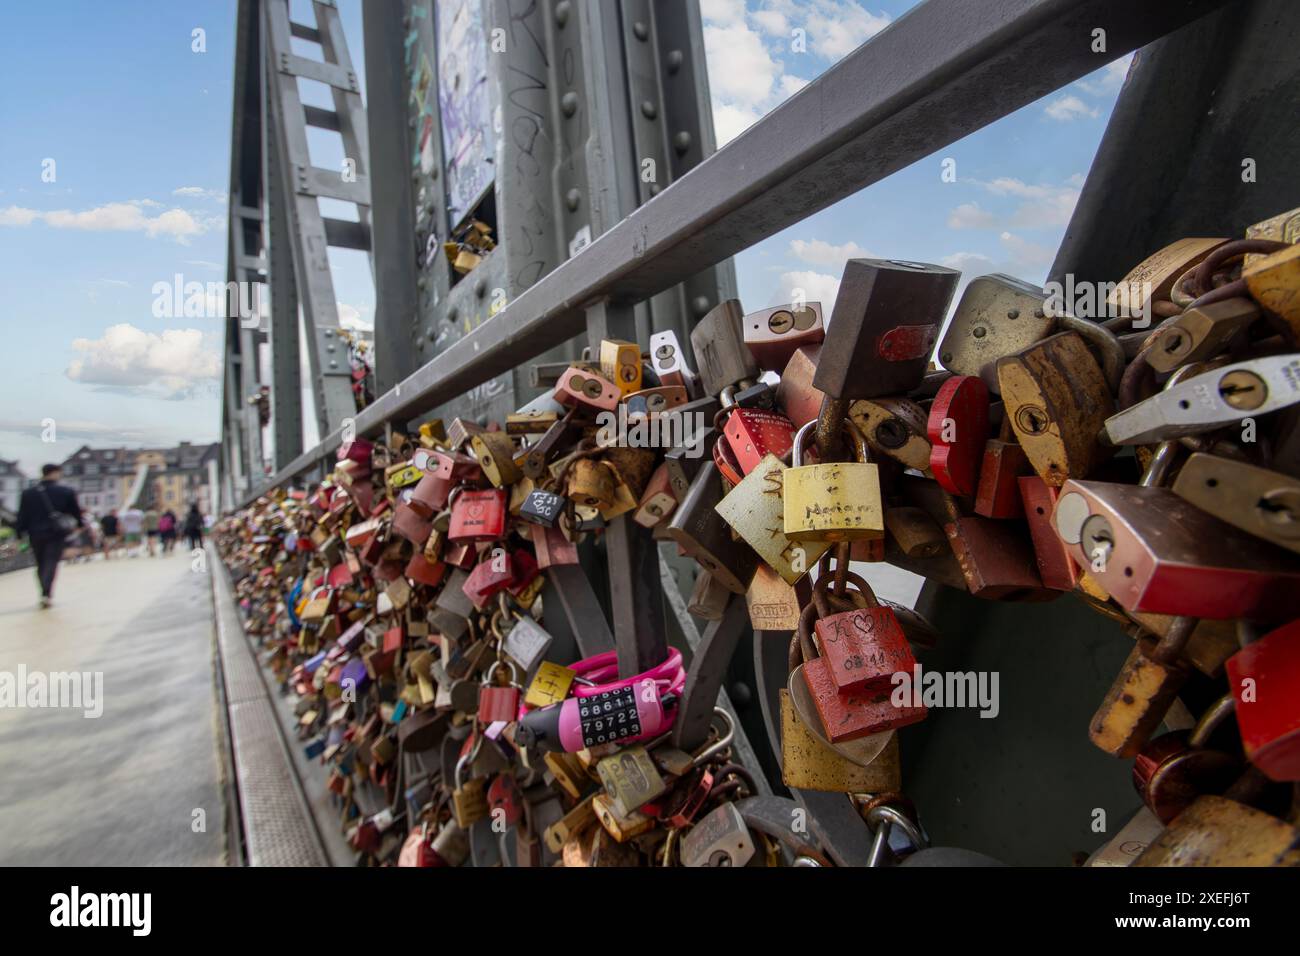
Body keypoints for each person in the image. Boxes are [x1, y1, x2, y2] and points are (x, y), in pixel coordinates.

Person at [14, 464, 83, 608]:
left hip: (35, 533)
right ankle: (46, 592)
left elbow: (22, 515)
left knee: (40, 563)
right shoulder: (65, 491)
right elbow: (76, 512)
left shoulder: (28, 493)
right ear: (56, 473)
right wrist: (79, 526)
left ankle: (44, 590)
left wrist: (19, 533)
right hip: (56, 533)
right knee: (51, 561)